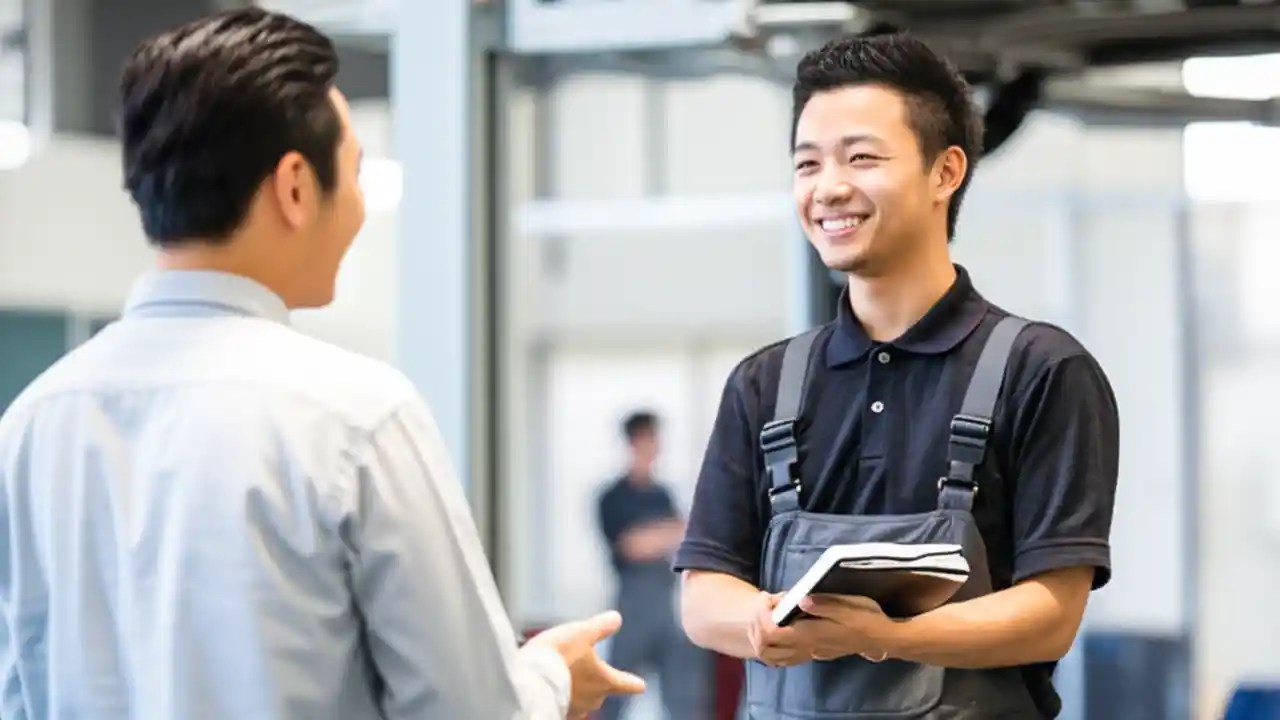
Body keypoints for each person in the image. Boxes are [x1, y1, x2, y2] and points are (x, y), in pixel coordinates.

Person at [0, 8, 643, 720]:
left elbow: (19, 693)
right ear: (296, 185)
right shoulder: (355, 416)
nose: (363, 206)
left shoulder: (33, 423)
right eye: (358, 172)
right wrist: (552, 678)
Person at [673, 32, 1120, 719]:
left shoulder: (1042, 372)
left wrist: (886, 636)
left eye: (861, 158)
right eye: (807, 164)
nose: (829, 188)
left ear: (945, 172)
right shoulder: (763, 384)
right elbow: (704, 595)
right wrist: (761, 621)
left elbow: (1051, 611)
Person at [596, 412, 711, 720]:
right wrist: (666, 533)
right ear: (633, 442)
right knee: (613, 696)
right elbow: (633, 546)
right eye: (648, 438)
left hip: (667, 605)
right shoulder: (613, 497)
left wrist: (659, 535)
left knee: (686, 699)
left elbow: (685, 535)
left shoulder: (662, 495)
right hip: (632, 610)